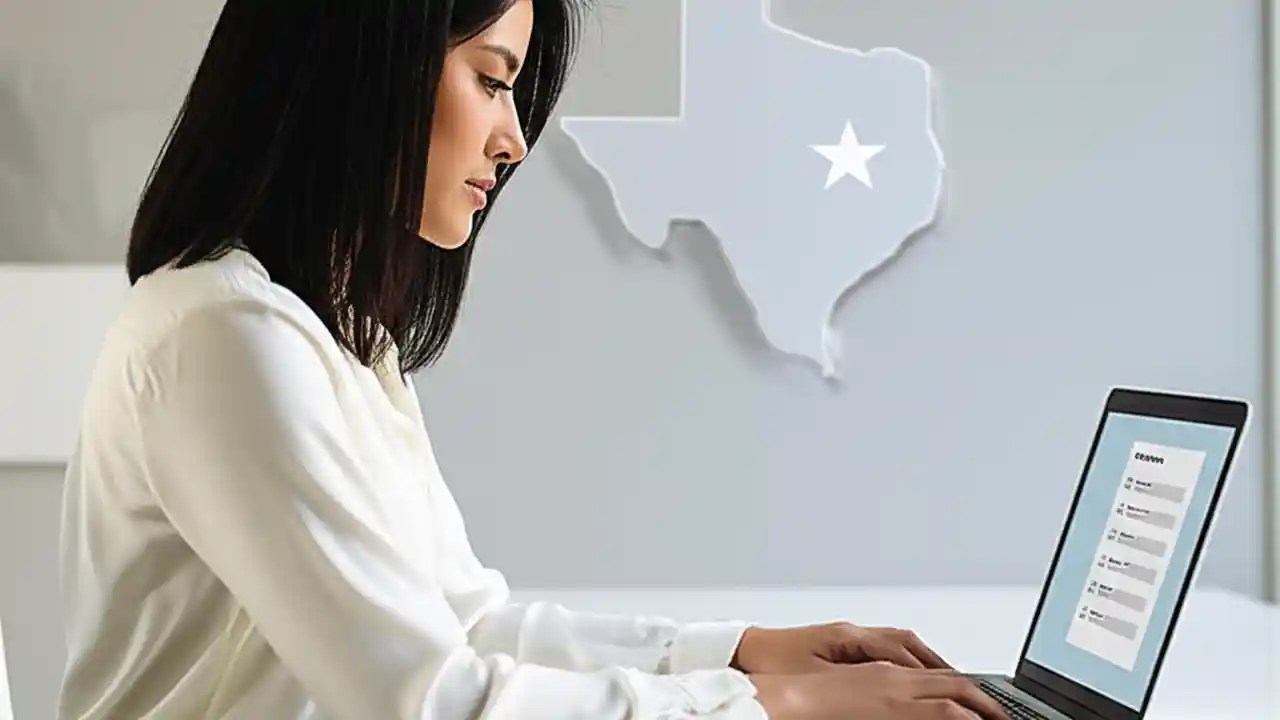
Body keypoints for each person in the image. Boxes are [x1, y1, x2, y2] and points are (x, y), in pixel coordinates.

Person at [55, 1, 1010, 719]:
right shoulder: (221, 334)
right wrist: (770, 706)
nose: (512, 141)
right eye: (491, 78)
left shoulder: (336, 338)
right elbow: (428, 699)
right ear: (365, 66)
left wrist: (747, 654)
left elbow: (466, 623)